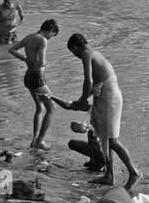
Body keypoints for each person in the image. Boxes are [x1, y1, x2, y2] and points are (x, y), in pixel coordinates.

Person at [58, 34, 140, 189]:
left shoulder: (86, 53)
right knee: (104, 137)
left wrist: (82, 101)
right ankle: (109, 175)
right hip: (104, 95)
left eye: (72, 52)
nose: (74, 56)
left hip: (110, 97)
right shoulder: (94, 53)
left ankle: (134, 172)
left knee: (112, 140)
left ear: (75, 47)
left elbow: (88, 81)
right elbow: (96, 85)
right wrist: (81, 99)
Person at [8, 19, 59, 150]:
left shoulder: (30, 36)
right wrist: (48, 64)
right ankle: (40, 141)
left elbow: (12, 49)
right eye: (53, 35)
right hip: (37, 78)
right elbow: (42, 61)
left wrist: (25, 59)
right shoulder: (43, 40)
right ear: (50, 31)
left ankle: (34, 140)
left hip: (28, 76)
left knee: (40, 108)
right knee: (51, 108)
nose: (51, 38)